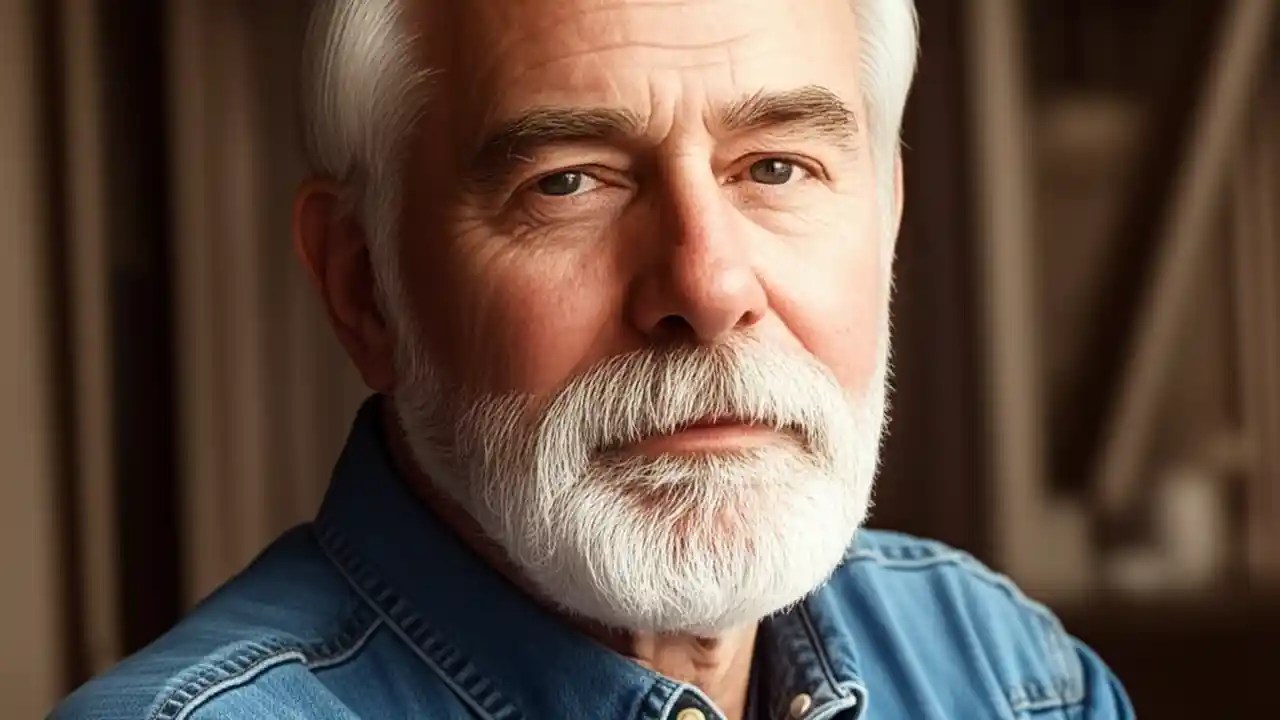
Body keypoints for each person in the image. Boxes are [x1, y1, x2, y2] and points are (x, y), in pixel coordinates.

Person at [54, 0, 1132, 717]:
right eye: (567, 181)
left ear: (885, 219)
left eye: (776, 166)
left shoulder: (1002, 676)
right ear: (362, 283)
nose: (708, 289)